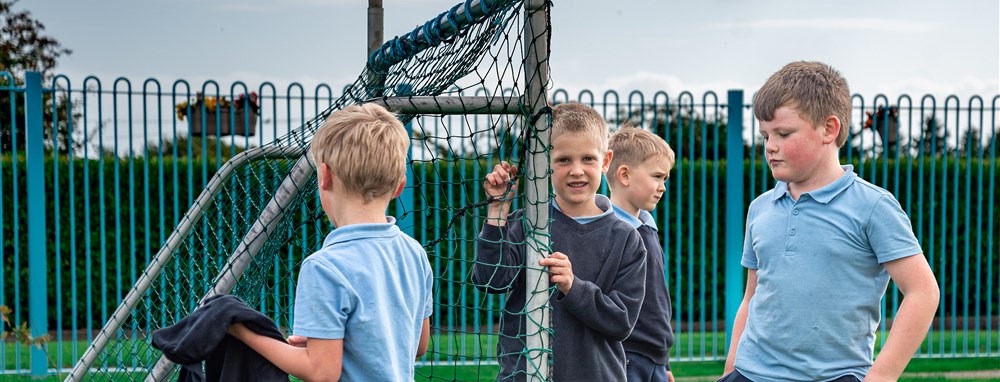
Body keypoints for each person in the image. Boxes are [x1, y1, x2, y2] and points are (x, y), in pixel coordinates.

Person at [722, 61, 939, 382]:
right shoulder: (760, 208)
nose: (770, 146)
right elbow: (751, 297)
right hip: (750, 374)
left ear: (829, 129)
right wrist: (731, 368)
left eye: (783, 133)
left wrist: (881, 376)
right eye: (765, 135)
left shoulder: (872, 206)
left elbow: (923, 292)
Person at [226, 103, 434, 381]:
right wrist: (330, 341)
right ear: (399, 186)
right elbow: (418, 345)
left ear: (324, 176)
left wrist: (242, 332)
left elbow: (321, 372)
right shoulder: (414, 253)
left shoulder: (323, 266)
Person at [473, 102, 647, 381]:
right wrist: (497, 211)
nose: (577, 170)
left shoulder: (627, 238)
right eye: (564, 160)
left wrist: (573, 287)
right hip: (525, 375)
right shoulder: (527, 223)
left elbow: (622, 321)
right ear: (545, 163)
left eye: (588, 159)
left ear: (605, 161)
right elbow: (490, 280)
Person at [607, 126, 677, 382]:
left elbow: (656, 301)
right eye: (657, 177)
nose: (663, 187)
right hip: (626, 356)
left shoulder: (647, 227)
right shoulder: (608, 231)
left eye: (665, 179)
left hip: (653, 359)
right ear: (624, 175)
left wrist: (663, 362)